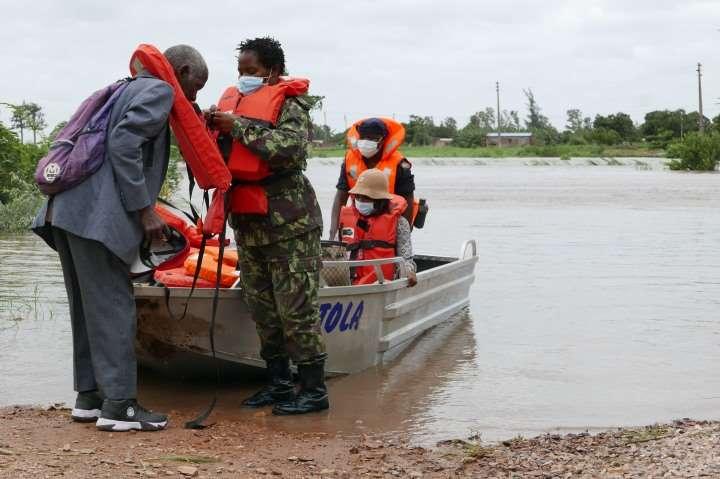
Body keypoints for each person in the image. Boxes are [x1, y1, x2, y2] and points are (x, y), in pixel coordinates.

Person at [32, 45, 209, 432]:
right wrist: (145, 210)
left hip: (65, 211)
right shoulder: (158, 91)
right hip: (98, 219)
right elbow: (125, 143)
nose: (192, 98)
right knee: (113, 306)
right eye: (195, 87)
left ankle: (90, 398)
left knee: (86, 307)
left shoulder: (120, 88)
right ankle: (120, 407)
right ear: (179, 71)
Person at [208, 37, 328, 415]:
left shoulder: (290, 105)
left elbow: (290, 148)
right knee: (263, 310)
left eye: (252, 72)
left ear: (273, 72)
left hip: (290, 224)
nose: (244, 78)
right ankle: (277, 385)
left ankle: (312, 391)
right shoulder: (234, 105)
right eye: (240, 71)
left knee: (296, 311)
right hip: (249, 224)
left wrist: (238, 126)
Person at [329, 117, 415, 241]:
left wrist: (402, 236)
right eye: (363, 137)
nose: (366, 142)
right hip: (357, 219)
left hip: (388, 221)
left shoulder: (399, 164)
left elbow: (408, 201)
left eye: (372, 138)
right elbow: (340, 197)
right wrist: (333, 233)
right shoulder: (349, 160)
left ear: (383, 140)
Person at [339, 168, 417, 287]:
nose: (360, 201)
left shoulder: (400, 223)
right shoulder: (346, 219)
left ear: (380, 200)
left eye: (366, 197)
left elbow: (406, 258)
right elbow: (337, 253)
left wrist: (409, 271)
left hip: (382, 284)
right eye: (357, 196)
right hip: (349, 284)